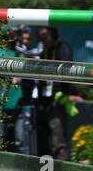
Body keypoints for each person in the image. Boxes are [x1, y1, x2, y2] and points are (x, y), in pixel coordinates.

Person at [28, 27, 72, 161]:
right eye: (41, 38)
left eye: (46, 37)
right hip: (43, 99)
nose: (44, 40)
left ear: (53, 34)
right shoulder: (44, 50)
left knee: (57, 136)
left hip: (57, 99)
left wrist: (61, 92)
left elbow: (66, 71)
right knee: (42, 136)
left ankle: (61, 170)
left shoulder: (63, 49)